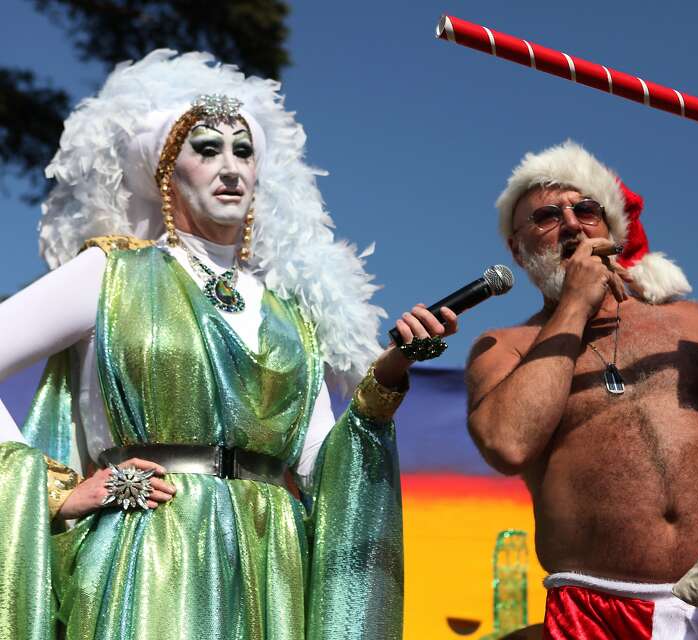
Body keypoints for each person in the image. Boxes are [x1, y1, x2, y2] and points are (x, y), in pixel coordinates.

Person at [0, 50, 455, 640]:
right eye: (205, 149)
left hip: (271, 562)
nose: (230, 167)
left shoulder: (289, 312)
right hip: (149, 550)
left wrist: (388, 376)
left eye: (244, 151)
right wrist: (53, 489)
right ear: (167, 172)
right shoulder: (109, 273)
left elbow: (321, 467)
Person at [465, 141, 698, 639]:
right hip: (595, 617)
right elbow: (507, 442)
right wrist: (575, 305)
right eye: (546, 216)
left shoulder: (695, 322)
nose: (571, 224)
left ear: (611, 230)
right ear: (518, 250)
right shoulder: (506, 346)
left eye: (586, 210)